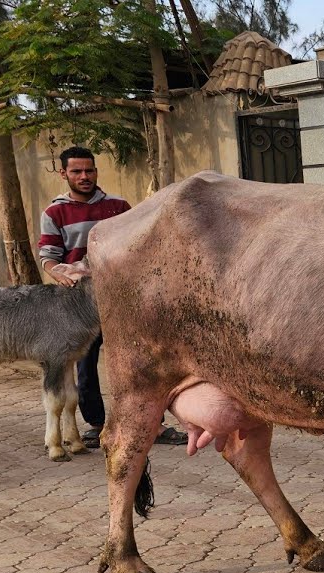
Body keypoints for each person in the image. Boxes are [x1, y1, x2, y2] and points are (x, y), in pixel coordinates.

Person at [38, 146, 186, 449]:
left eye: (89, 170)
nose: (84, 176)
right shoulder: (54, 213)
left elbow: (138, 246)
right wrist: (57, 273)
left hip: (121, 299)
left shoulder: (118, 206)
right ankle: (97, 425)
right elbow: (49, 256)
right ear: (63, 173)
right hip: (80, 305)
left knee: (140, 361)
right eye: (77, 171)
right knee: (85, 366)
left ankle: (154, 425)